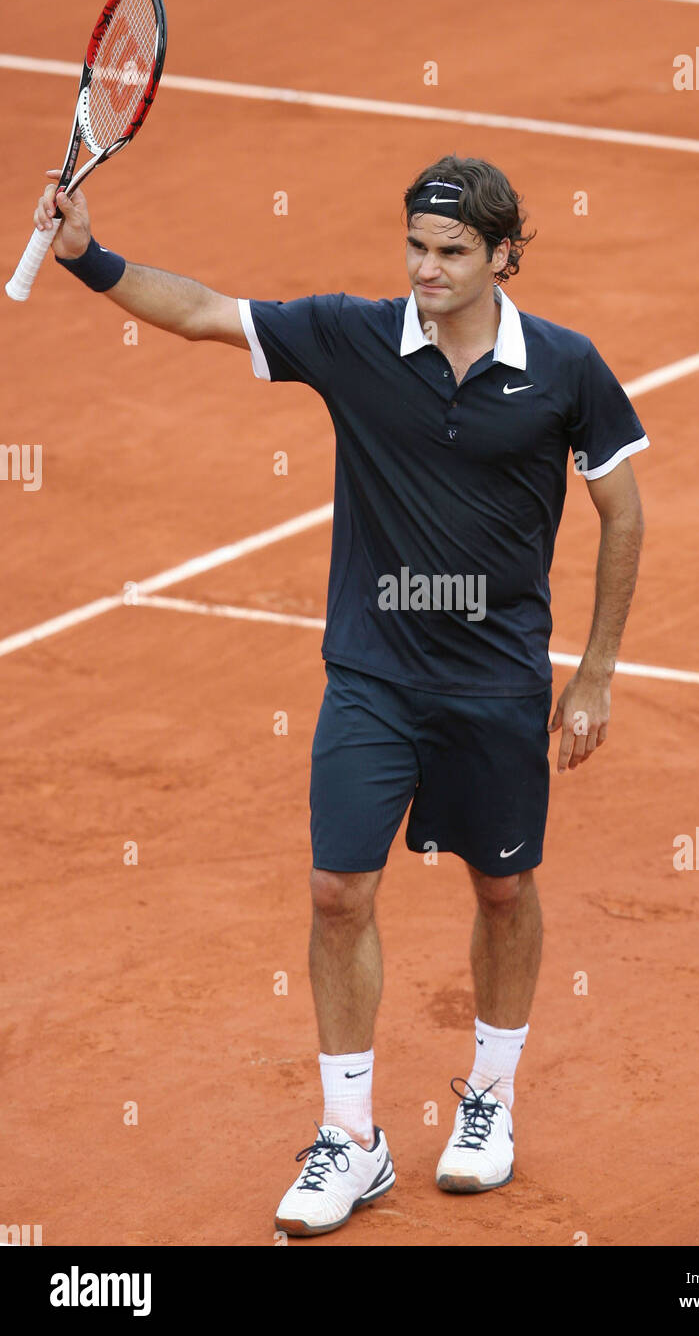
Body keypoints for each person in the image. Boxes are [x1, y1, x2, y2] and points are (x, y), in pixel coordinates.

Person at [33, 153, 648, 1239]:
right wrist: (91, 258)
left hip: (499, 678)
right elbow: (206, 314)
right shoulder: (354, 338)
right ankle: (351, 1136)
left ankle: (489, 1102)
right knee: (335, 891)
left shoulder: (567, 368)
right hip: (372, 673)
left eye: (452, 252)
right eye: (415, 245)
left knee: (502, 893)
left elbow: (624, 514)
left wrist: (594, 671)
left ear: (506, 256)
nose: (426, 268)